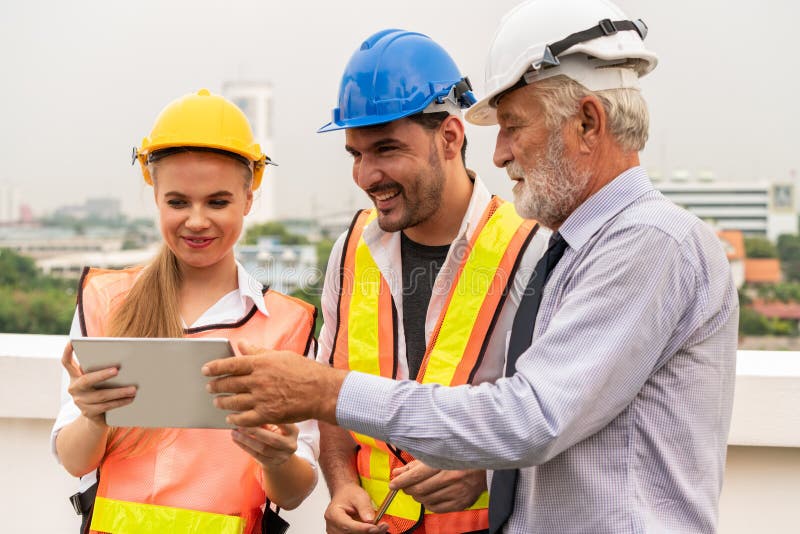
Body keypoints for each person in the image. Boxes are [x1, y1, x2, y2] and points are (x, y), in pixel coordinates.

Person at [204, 1, 739, 533]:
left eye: (512, 126)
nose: (501, 152)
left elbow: (531, 418)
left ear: (587, 122)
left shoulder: (647, 244)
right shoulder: (582, 244)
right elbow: (563, 422)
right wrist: (482, 473)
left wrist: (326, 389)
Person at [51, 89, 319, 534]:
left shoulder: (287, 325)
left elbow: (290, 493)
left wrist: (279, 455)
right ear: (155, 196)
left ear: (248, 200)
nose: (197, 221)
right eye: (178, 202)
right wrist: (94, 416)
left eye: (218, 202)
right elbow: (74, 461)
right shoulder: (106, 300)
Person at [314, 29, 548, 534]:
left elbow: (555, 415)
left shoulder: (532, 249)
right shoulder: (350, 250)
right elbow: (331, 399)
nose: (366, 175)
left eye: (385, 150)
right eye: (356, 154)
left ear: (450, 137)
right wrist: (342, 487)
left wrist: (489, 471)